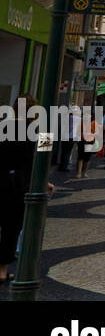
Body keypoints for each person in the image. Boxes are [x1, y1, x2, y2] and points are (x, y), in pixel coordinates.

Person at [0, 96, 40, 286]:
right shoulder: (39, 131)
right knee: (12, 227)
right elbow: (39, 160)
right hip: (20, 184)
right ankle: (2, 271)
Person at [76, 111, 101, 179]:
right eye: (85, 116)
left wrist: (91, 134)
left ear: (91, 116)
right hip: (82, 141)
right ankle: (79, 173)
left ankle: (85, 172)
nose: (86, 117)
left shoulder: (94, 124)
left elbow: (98, 132)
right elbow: (78, 133)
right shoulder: (81, 124)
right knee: (80, 157)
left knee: (87, 158)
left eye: (88, 116)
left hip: (90, 142)